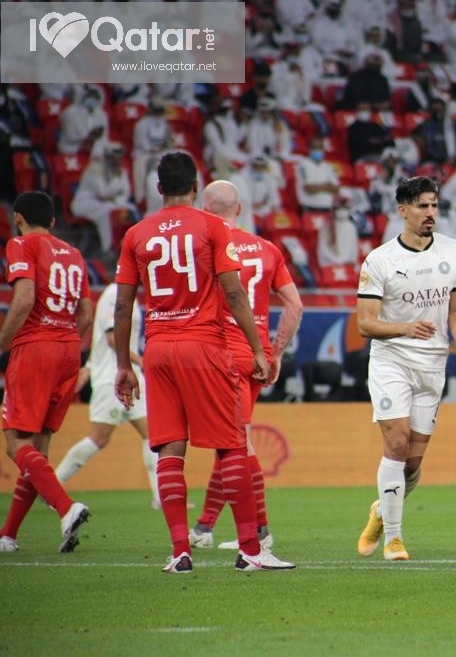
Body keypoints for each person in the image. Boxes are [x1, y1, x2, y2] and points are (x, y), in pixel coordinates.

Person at [114, 152, 293, 573]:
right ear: (195, 187)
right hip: (204, 345)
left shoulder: (136, 234)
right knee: (232, 445)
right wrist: (256, 347)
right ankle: (250, 549)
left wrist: (124, 364)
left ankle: (180, 551)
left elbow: (123, 306)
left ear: (158, 188)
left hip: (157, 348)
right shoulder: (212, 227)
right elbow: (233, 293)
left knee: (170, 451)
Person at [354, 177, 456, 561]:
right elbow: (365, 324)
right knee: (397, 442)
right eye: (422, 206)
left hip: (433, 365)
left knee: (412, 466)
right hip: (393, 360)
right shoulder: (380, 260)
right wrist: (405, 327)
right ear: (402, 210)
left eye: (434, 205)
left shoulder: (454, 251)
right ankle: (394, 538)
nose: (430, 213)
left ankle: (380, 510)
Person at [189, 180, 304, 551]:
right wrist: (276, 351)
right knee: (233, 443)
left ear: (204, 211)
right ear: (238, 210)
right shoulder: (267, 249)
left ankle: (260, 532)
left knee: (238, 446)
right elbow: (295, 306)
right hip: (256, 353)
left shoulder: (203, 245)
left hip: (221, 351)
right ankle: (205, 527)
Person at [0, 191, 93, 554]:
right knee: (39, 447)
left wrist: (5, 343)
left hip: (35, 348)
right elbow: (85, 314)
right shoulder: (74, 254)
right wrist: (65, 341)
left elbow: (23, 299)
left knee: (15, 444)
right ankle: (8, 534)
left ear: (18, 218)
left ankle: (67, 507)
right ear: (54, 221)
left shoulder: (20, 245)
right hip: (68, 347)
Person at [54, 283, 159, 509]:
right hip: (113, 377)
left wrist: (90, 365)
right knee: (98, 438)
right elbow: (112, 339)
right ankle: (52, 485)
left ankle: (160, 498)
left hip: (128, 374)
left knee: (152, 434)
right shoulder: (115, 293)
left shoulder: (125, 295)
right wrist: (142, 361)